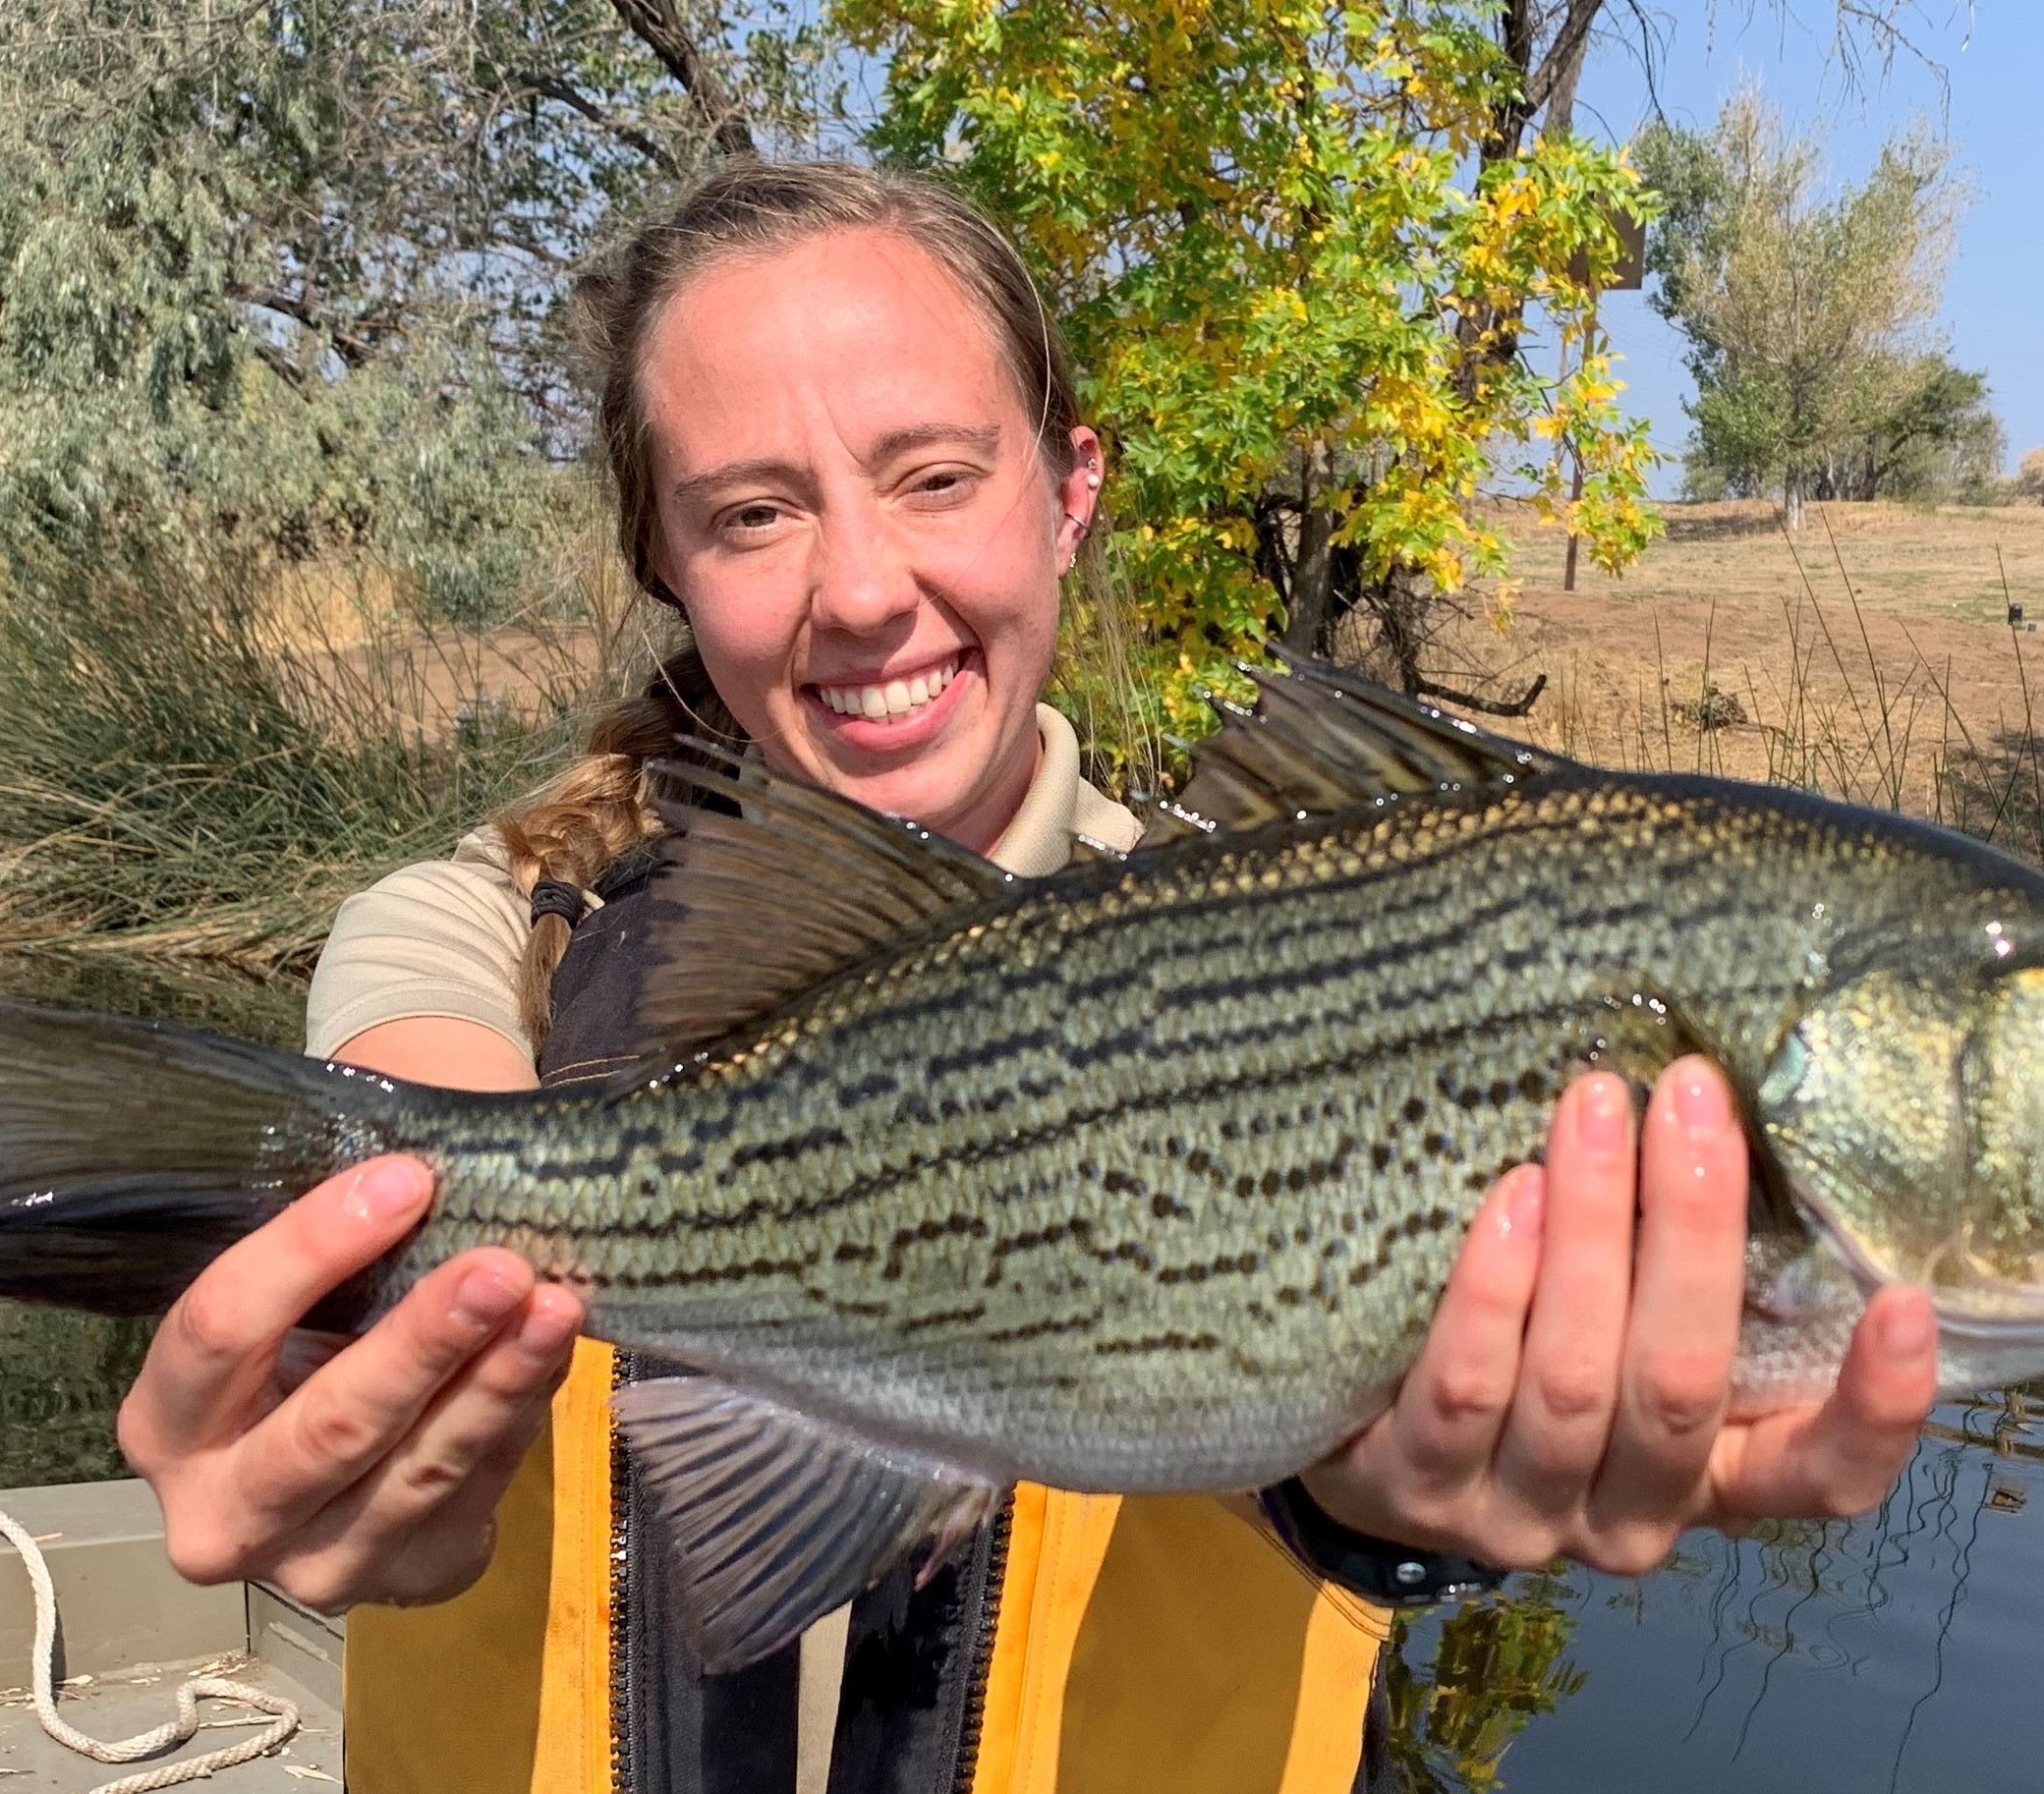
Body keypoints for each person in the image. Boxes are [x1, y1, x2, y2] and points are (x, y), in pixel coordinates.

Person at [110, 161, 1940, 1794]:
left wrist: (1383, 1513)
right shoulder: (480, 923)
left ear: (1070, 491)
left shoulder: (1281, 942)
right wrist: (351, 1357)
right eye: (749, 513)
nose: (859, 589)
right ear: (663, 560)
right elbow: (428, 1126)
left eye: (934, 476)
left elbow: (1320, 1411)